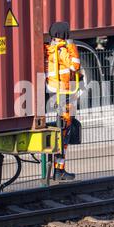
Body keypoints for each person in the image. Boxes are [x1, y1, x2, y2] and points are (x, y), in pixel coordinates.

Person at [45, 22, 81, 181]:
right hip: (65, 93)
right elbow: (75, 65)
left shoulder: (48, 49)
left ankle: (56, 169)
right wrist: (72, 46)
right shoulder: (63, 50)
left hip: (53, 91)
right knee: (65, 132)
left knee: (61, 130)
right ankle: (59, 170)